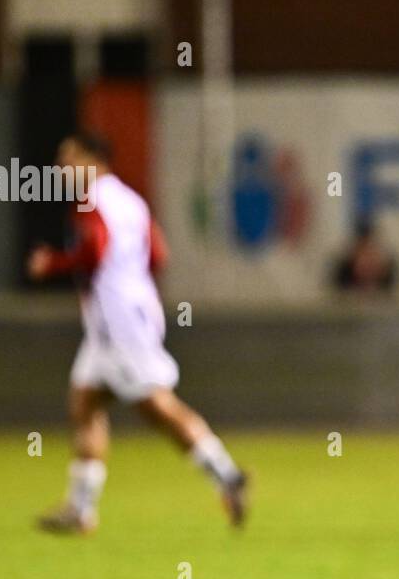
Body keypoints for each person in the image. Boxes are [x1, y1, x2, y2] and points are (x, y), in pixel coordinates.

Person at [27, 132, 248, 534]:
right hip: (123, 316)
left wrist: (53, 264)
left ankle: (226, 475)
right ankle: (80, 508)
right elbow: (159, 254)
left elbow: (95, 249)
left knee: (157, 407)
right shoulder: (131, 200)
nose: (62, 168)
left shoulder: (93, 199)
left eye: (69, 159)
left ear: (93, 159)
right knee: (84, 401)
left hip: (118, 324)